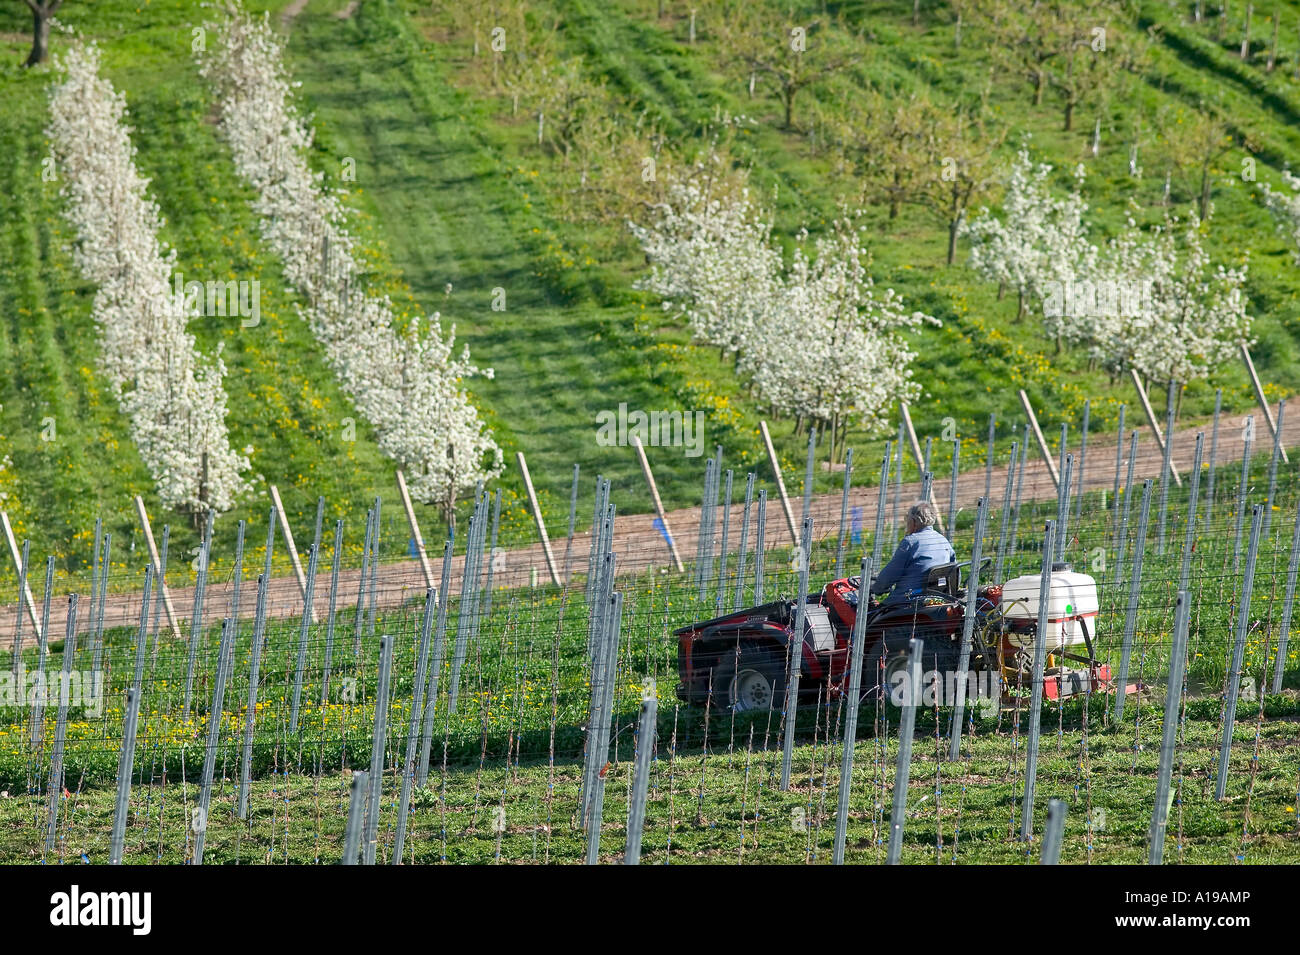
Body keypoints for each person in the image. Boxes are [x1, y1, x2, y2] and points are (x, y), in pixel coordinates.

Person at [869, 501, 955, 606]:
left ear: (913, 521)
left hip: (907, 601)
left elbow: (890, 575)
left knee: (870, 616)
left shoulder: (910, 542)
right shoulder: (943, 540)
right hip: (937, 599)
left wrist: (876, 588)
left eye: (907, 519)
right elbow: (954, 572)